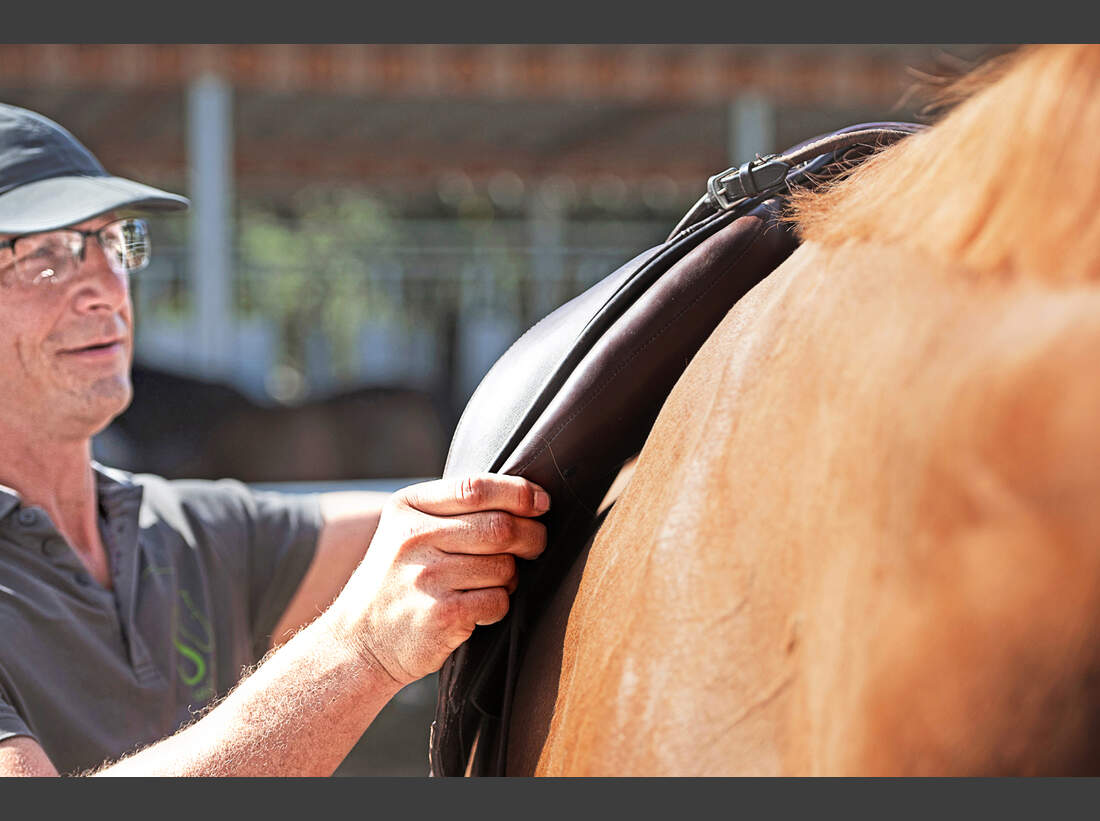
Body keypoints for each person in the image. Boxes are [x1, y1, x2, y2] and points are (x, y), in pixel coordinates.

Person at [0, 103, 549, 777]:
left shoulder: (182, 530)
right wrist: (360, 651)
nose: (107, 288)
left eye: (115, 243)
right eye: (46, 254)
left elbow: (457, 523)